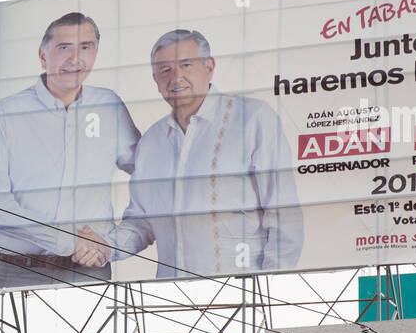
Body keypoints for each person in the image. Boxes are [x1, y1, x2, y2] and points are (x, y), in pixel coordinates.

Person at [108, 29, 303, 279]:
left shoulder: (252, 119)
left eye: (186, 65)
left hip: (241, 295)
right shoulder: (151, 142)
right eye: (165, 70)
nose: (176, 77)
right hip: (170, 299)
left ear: (209, 67)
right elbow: (141, 222)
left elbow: (283, 214)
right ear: (155, 79)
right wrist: (101, 246)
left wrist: (269, 289)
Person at [0, 12, 140, 291]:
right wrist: (68, 241)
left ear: (96, 53)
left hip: (90, 269)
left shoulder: (108, 105)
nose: (75, 58)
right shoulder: (8, 112)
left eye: (86, 47)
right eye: (64, 48)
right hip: (17, 269)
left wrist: (113, 243)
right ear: (43, 55)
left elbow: (150, 176)